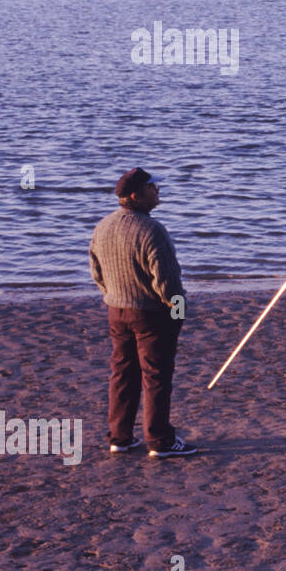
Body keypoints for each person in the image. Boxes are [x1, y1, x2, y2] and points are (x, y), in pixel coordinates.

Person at [89, 167, 197, 458]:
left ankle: (120, 437)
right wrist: (178, 309)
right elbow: (167, 280)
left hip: (117, 310)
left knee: (122, 373)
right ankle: (159, 440)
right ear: (135, 195)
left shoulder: (103, 226)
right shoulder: (152, 229)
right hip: (150, 313)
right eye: (152, 188)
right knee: (156, 376)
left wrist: (112, 296)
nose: (158, 191)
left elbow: (96, 272)